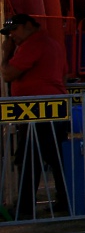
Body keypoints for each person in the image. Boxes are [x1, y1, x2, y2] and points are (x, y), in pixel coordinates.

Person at [2, 13, 68, 220]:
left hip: (38, 110)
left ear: (29, 25)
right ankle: (65, 200)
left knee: (29, 158)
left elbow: (8, 74)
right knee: (54, 158)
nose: (12, 35)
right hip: (49, 108)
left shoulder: (34, 44)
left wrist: (5, 54)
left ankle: (24, 208)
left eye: (15, 29)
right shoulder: (50, 42)